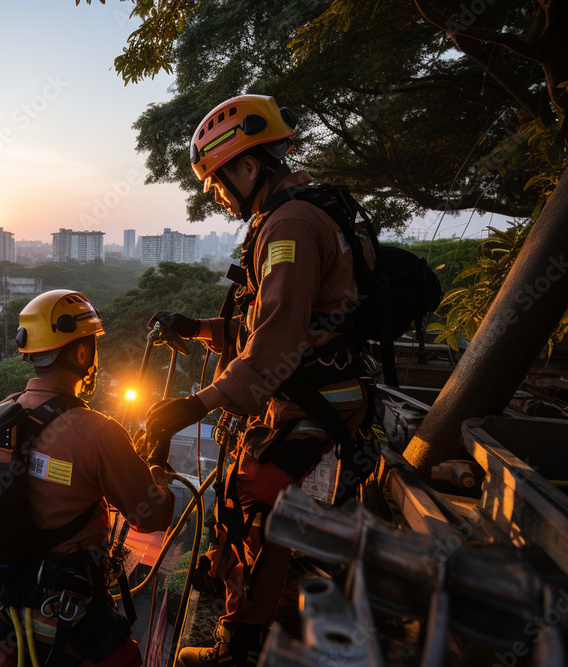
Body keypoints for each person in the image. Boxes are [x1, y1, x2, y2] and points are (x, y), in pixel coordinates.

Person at [144, 94, 373, 666]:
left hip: (317, 401)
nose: (217, 197)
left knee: (255, 495)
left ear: (248, 165)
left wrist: (194, 405)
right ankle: (243, 600)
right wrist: (197, 328)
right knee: (243, 494)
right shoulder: (295, 214)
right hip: (312, 394)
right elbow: (267, 325)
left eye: (217, 182)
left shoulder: (289, 225)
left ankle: (240, 645)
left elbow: (276, 342)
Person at [0, 289, 175, 667]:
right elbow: (152, 515)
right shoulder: (98, 432)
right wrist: (157, 471)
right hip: (67, 616)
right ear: (84, 352)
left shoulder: (0, 416)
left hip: (4, 608)